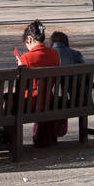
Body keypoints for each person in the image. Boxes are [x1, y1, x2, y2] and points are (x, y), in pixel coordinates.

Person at [16, 19, 60, 147]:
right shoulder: (54, 54)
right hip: (49, 100)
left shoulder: (26, 58)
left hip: (31, 102)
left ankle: (9, 141)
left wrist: (20, 64)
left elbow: (22, 85)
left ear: (29, 39)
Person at [49, 31, 84, 139]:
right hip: (76, 101)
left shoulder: (47, 55)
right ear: (66, 42)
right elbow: (85, 78)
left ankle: (48, 135)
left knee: (52, 100)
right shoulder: (76, 54)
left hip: (50, 103)